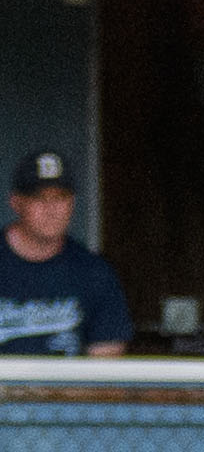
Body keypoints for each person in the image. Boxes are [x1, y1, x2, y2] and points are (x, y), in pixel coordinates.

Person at [1, 152, 131, 359]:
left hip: (67, 391)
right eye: (39, 198)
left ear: (72, 202)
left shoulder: (94, 272)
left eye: (60, 198)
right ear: (16, 202)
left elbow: (105, 366)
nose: (51, 210)